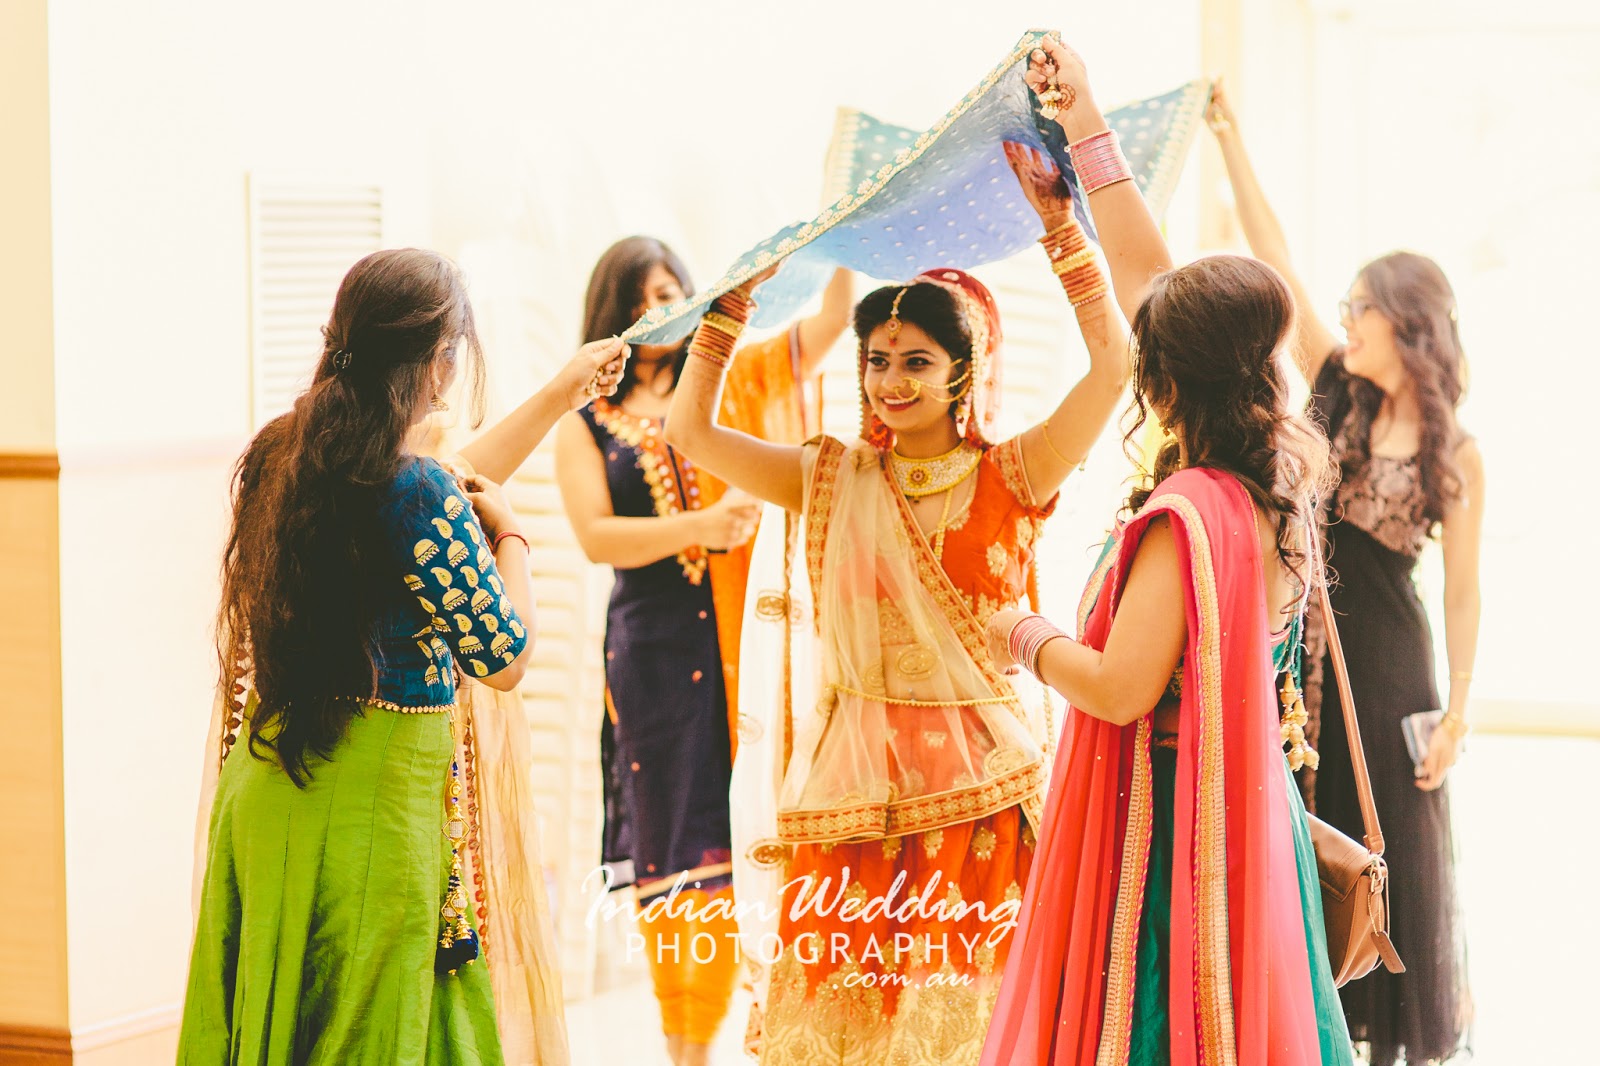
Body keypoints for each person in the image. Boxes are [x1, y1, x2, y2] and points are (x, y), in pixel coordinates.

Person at [662, 125, 1129, 1059]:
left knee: (967, 1030)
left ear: (964, 370)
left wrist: (1063, 232)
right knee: (852, 1032)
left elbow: (1114, 368)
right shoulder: (831, 477)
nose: (889, 380)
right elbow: (692, 430)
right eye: (877, 359)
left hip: (981, 796)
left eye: (915, 361)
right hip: (853, 791)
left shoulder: (1014, 474)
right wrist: (726, 318)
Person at [979, 38, 1356, 1065]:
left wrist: (1020, 631)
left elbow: (1115, 686)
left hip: (1173, 839)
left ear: (1164, 378)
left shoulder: (1189, 505)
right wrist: (1084, 123)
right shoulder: (1275, 473)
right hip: (1250, 823)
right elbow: (1154, 283)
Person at [180, 247, 624, 1064]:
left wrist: (564, 392)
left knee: (288, 1017)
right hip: (376, 810)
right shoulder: (415, 491)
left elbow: (440, 487)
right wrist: (514, 536)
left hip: (272, 792)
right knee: (377, 1028)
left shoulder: (285, 451)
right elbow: (504, 658)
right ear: (441, 364)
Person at [1206, 79, 1480, 1065]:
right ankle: (1295, 1020)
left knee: (1389, 838)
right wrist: (1231, 139)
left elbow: (1460, 589)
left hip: (1392, 656)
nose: (1344, 319)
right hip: (1304, 645)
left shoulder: (1457, 451)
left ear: (1406, 320)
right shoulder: (1336, 382)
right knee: (1303, 820)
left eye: (1359, 307)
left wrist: (1458, 712)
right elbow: (1272, 253)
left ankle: (1369, 1038)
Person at [554, 236, 853, 1065]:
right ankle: (684, 1045)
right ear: (614, 312)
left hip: (746, 643)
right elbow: (594, 536)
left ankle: (772, 1034)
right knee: (676, 845)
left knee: (756, 816)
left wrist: (842, 225)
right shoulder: (586, 420)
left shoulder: (735, 379)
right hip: (652, 654)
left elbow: (833, 319)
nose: (668, 305)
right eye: (648, 295)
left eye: (679, 289)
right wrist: (701, 527)